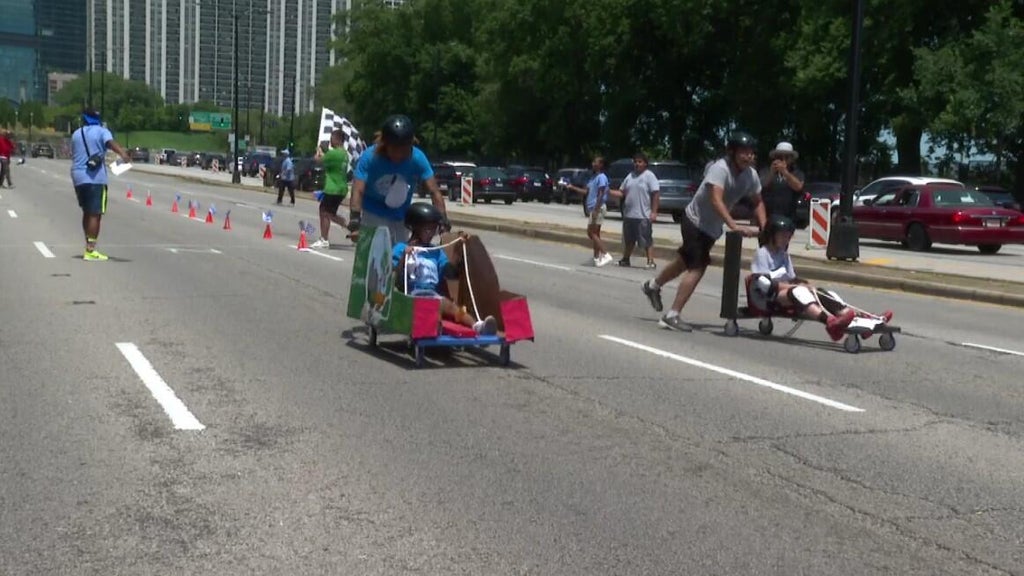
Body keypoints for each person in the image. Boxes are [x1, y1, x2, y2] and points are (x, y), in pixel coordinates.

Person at [641, 131, 766, 331]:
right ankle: (671, 316)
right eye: (743, 152)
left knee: (684, 263)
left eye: (751, 152)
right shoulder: (720, 169)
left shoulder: (751, 175)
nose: (748, 156)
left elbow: (758, 201)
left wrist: (765, 227)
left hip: (711, 228)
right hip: (694, 221)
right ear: (732, 152)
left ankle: (652, 286)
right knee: (698, 266)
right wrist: (733, 225)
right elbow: (716, 199)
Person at [750, 215, 892, 340]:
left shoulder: (783, 255)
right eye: (782, 235)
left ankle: (863, 320)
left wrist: (805, 284)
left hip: (787, 291)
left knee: (823, 293)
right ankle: (830, 322)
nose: (786, 239)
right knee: (799, 291)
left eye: (788, 236)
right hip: (770, 297)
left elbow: (792, 278)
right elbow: (765, 284)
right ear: (772, 235)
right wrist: (796, 286)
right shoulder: (762, 253)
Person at [393, 203, 498, 335]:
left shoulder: (436, 251)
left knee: (453, 307)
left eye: (434, 229)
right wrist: (404, 257)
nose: (431, 234)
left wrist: (459, 252)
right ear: (415, 227)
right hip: (412, 295)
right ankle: (433, 327)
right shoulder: (401, 248)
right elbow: (396, 278)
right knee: (433, 308)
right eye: (428, 230)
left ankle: (477, 326)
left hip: (432, 294)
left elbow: (450, 273)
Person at [348, 115, 449, 246]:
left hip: (401, 215)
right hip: (373, 211)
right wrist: (355, 219)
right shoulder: (370, 157)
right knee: (372, 252)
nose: (399, 154)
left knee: (400, 253)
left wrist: (443, 220)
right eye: (395, 149)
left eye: (404, 150)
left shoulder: (417, 158)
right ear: (385, 145)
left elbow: (434, 191)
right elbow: (358, 190)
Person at [69, 109, 131, 261]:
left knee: (86, 211)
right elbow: (110, 143)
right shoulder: (102, 131)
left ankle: (88, 244)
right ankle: (90, 250)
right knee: (95, 214)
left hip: (78, 176)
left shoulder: (76, 134)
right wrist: (122, 154)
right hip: (95, 177)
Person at [612, 152, 660, 268]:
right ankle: (625, 259)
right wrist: (607, 191)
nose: (637, 164)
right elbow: (622, 192)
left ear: (645, 164)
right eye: (635, 162)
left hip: (643, 215)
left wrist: (654, 212)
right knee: (629, 240)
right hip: (629, 214)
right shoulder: (630, 176)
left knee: (646, 239)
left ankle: (650, 261)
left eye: (640, 162)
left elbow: (656, 194)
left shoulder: (649, 176)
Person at [564, 156, 613, 266]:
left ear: (601, 165)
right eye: (593, 162)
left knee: (591, 233)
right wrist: (571, 187)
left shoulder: (602, 177)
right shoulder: (593, 178)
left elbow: (601, 193)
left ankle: (605, 254)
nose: (593, 164)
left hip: (598, 207)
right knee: (595, 234)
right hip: (593, 208)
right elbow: (586, 192)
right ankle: (596, 258)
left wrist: (596, 209)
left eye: (596, 162)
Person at [311, 131, 350, 248]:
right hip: (341, 187)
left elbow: (318, 160)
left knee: (324, 212)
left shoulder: (334, 154)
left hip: (333, 187)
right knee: (329, 212)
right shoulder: (344, 154)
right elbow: (329, 161)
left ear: (337, 139)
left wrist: (318, 151)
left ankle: (324, 238)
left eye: (332, 138)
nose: (330, 141)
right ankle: (346, 225)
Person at [759, 142, 805, 237]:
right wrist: (771, 173)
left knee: (783, 244)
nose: (783, 160)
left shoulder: (797, 173)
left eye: (786, 157)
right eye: (780, 157)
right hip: (768, 217)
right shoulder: (766, 171)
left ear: (791, 159)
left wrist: (785, 173)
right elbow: (760, 186)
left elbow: (798, 187)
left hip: (788, 218)